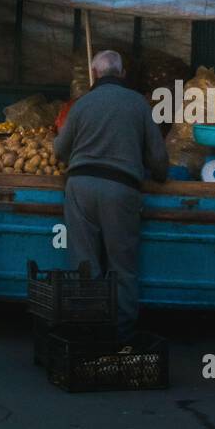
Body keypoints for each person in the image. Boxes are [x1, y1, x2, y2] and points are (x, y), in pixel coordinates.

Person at [52, 48, 168, 343]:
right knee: (123, 266)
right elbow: (158, 159)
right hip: (121, 190)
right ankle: (121, 337)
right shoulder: (139, 105)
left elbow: (59, 151)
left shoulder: (81, 105)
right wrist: (160, 174)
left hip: (81, 187)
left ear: (94, 74)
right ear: (123, 74)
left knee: (84, 262)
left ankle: (87, 331)